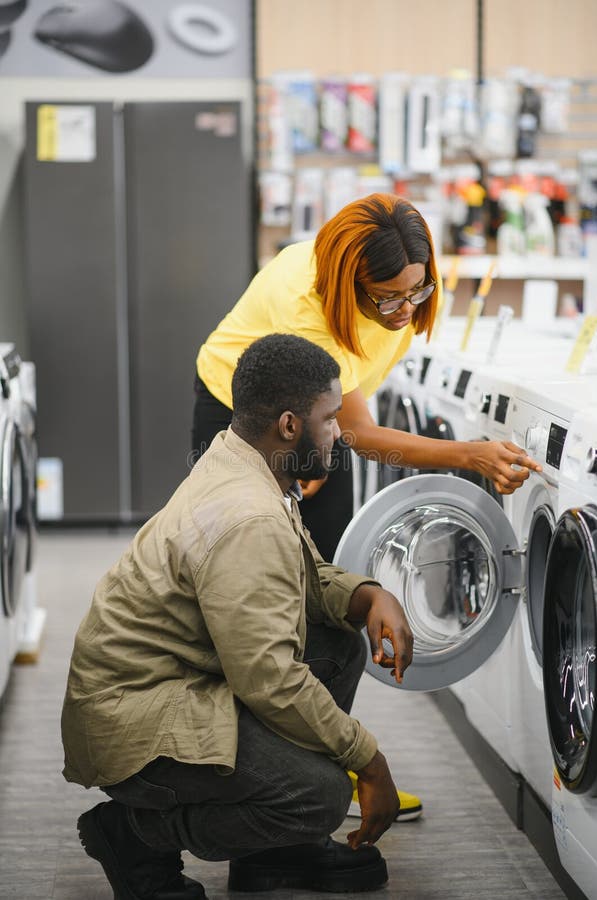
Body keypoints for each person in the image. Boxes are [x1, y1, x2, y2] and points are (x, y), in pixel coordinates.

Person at [62, 334, 415, 900]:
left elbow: (299, 582)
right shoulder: (248, 514)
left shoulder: (244, 460)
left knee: (338, 644)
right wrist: (369, 763)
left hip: (171, 684)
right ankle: (133, 837)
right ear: (289, 425)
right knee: (320, 796)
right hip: (133, 724)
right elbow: (268, 679)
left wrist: (370, 596)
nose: (339, 433)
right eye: (329, 419)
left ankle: (275, 852)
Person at [192, 193, 541, 564]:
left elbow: (343, 414)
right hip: (241, 409)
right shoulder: (306, 306)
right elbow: (359, 432)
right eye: (388, 298)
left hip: (319, 412)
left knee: (324, 554)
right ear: (349, 284)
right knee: (237, 551)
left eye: (417, 290)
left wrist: (315, 445)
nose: (406, 309)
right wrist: (472, 455)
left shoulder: (400, 288)